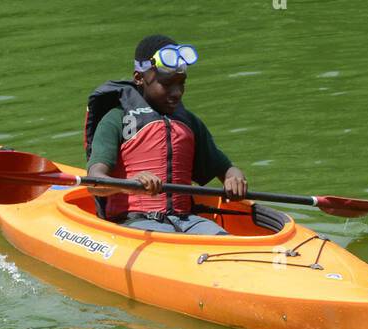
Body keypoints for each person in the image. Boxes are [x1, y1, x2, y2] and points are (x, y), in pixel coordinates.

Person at [84, 34, 248, 235]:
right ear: (139, 78)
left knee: (227, 245)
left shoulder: (189, 122)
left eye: (181, 83)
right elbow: (94, 182)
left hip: (188, 221)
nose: (177, 92)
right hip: (134, 223)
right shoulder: (115, 119)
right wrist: (130, 185)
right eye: (167, 84)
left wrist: (235, 178)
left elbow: (227, 169)